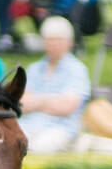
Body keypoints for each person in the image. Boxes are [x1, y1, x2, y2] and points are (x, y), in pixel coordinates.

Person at [18, 15, 92, 154]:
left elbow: (66, 107)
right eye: (50, 40)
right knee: (7, 145)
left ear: (69, 42)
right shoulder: (34, 68)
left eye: (59, 40)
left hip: (61, 129)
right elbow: (21, 104)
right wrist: (52, 100)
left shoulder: (77, 69)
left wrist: (37, 101)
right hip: (29, 124)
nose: (54, 44)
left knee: (37, 149)